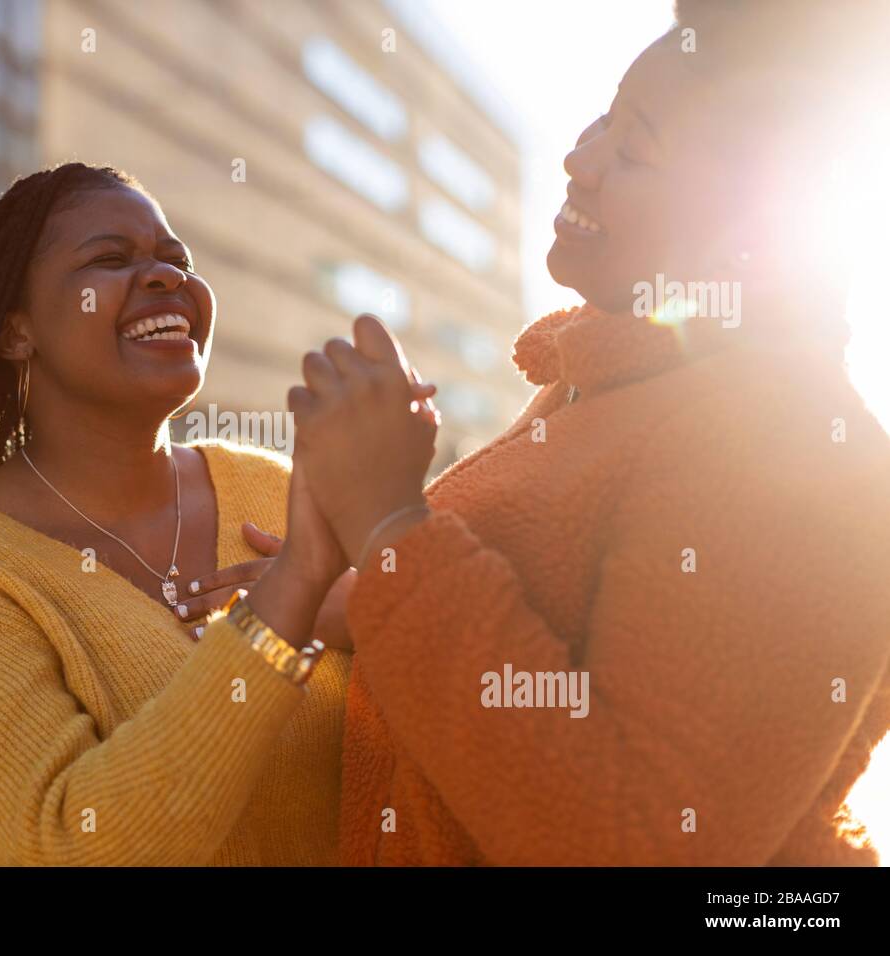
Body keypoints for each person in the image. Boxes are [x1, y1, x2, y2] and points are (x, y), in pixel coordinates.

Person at [288, 0, 890, 865]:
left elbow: (639, 842)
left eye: (634, 147)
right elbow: (535, 620)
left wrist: (389, 523)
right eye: (606, 115)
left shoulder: (790, 446)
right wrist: (336, 588)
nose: (579, 159)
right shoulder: (623, 384)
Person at [0, 163, 432, 865]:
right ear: (16, 331)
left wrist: (376, 609)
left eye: (176, 260)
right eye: (109, 259)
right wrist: (296, 587)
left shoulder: (274, 486)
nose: (167, 278)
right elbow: (71, 842)